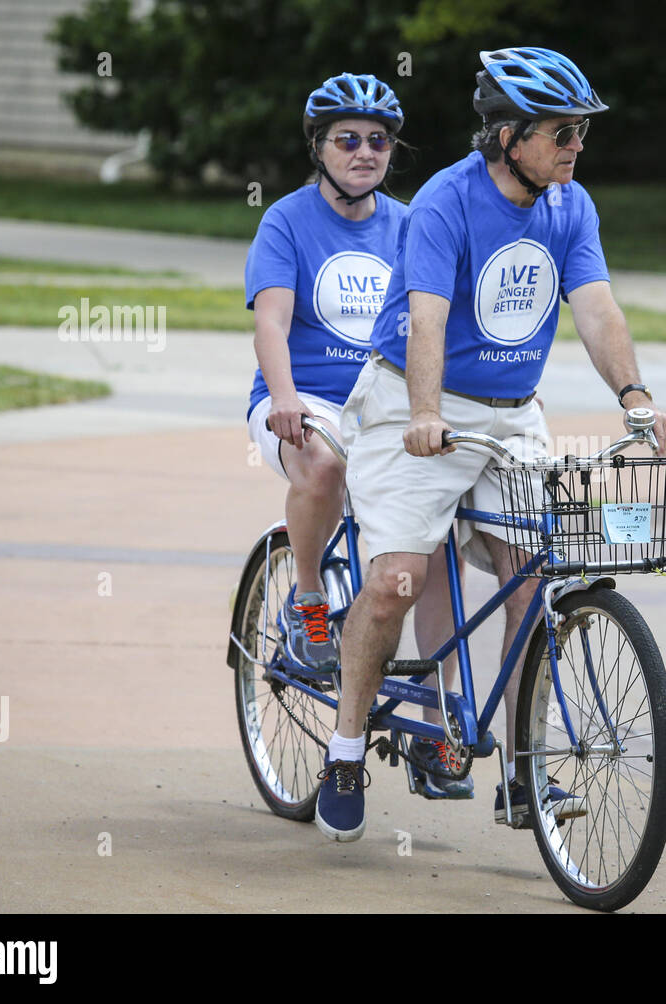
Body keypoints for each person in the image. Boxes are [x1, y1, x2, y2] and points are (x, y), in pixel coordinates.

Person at [317, 46, 666, 843]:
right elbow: (429, 317)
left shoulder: (570, 206)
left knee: (532, 582)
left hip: (512, 413)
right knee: (397, 581)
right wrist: (422, 412)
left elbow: (597, 307)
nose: (577, 145)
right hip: (417, 403)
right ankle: (344, 749)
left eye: (582, 130)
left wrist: (635, 397)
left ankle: (521, 771)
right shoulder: (448, 199)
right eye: (563, 131)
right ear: (508, 136)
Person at [244, 73, 470, 801]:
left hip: (385, 401)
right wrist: (284, 400)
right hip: (303, 395)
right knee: (320, 471)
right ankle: (307, 596)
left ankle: (440, 719)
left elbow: (439, 317)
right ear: (319, 147)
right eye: (348, 139)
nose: (365, 152)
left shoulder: (410, 223)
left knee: (430, 536)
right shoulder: (285, 220)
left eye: (378, 141)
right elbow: (271, 322)